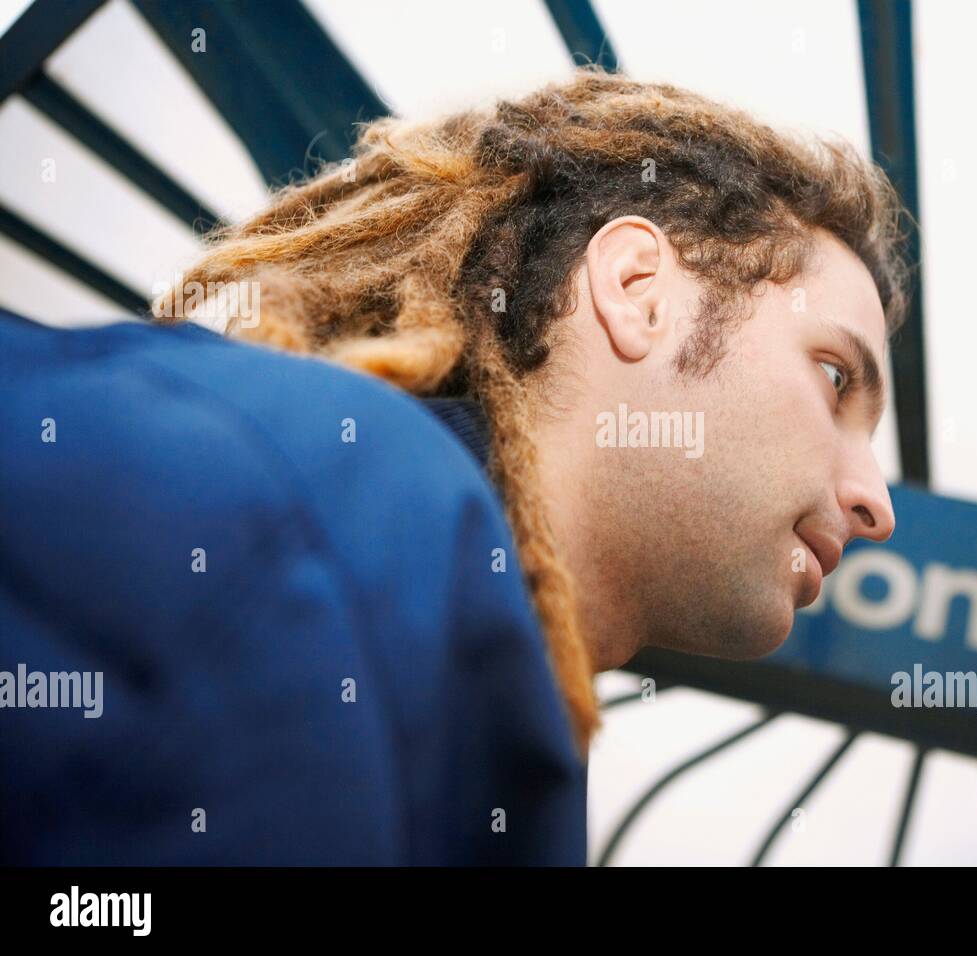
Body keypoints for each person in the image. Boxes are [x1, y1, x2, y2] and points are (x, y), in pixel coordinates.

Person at [0, 67, 906, 864]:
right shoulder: (312, 506)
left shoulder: (451, 648)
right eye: (835, 378)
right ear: (636, 290)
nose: (876, 504)